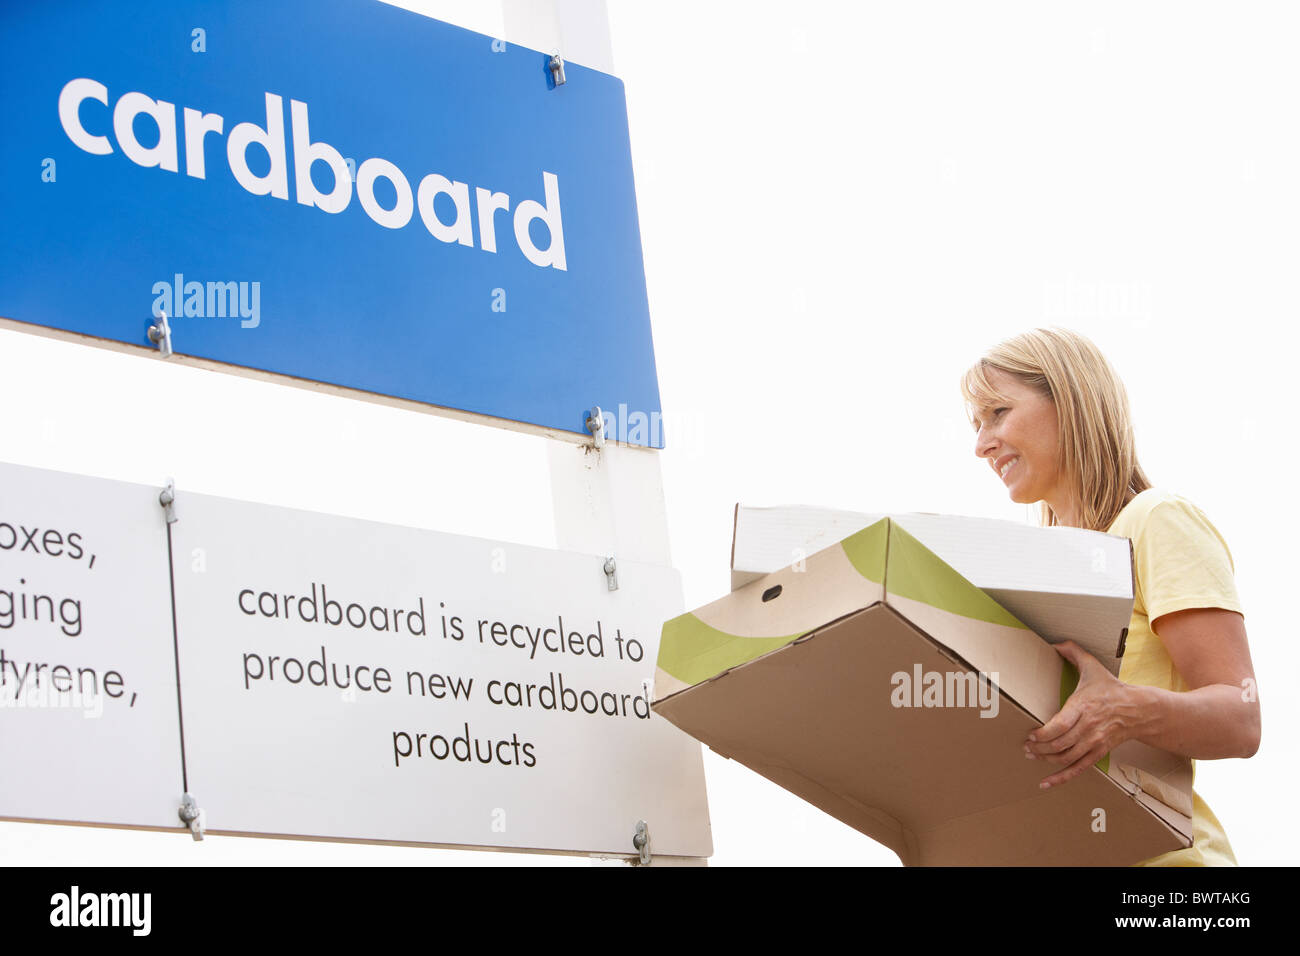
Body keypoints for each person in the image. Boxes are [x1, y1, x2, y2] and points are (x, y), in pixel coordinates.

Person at [962, 327, 1260, 866]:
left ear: (1070, 400)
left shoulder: (1154, 521)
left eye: (998, 413)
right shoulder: (1040, 576)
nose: (981, 444)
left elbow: (1240, 719)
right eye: (977, 425)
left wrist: (1126, 710)